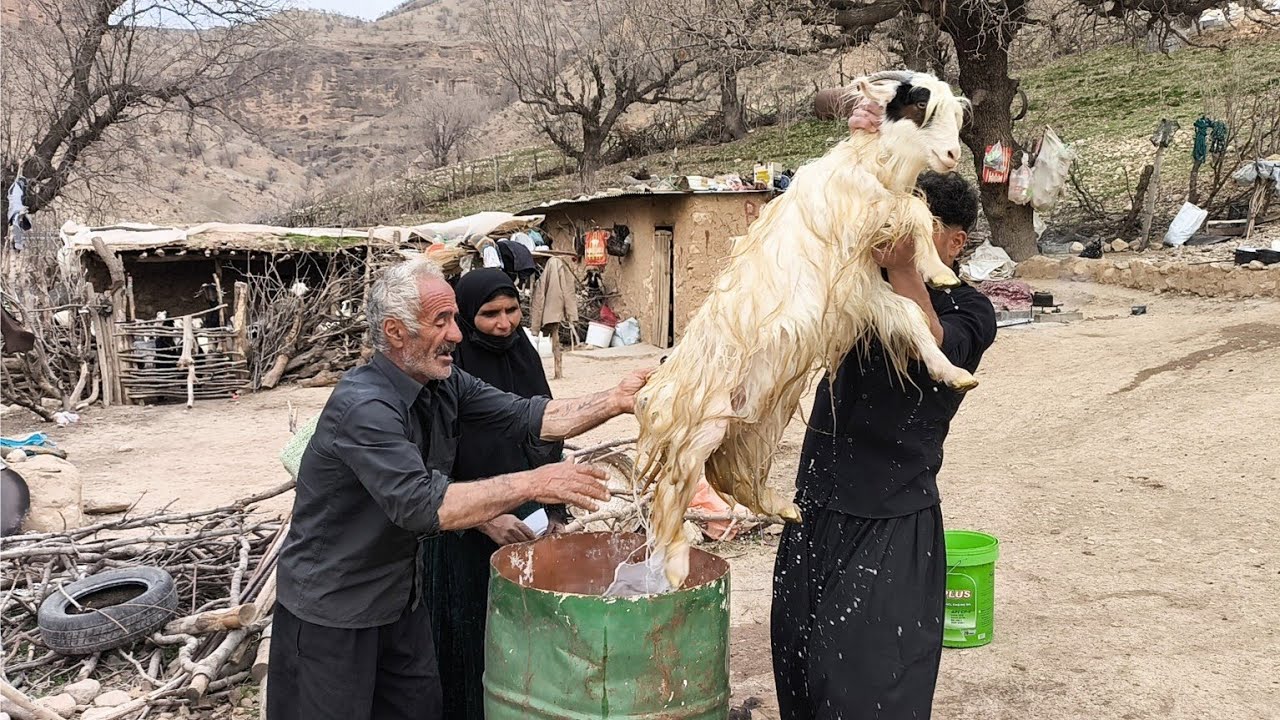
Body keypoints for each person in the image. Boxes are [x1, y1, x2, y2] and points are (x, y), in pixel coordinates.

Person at [269, 259, 649, 720]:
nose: (457, 334)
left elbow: (529, 415)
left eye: (454, 318)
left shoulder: (443, 383)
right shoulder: (364, 406)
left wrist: (617, 399)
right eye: (442, 321)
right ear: (394, 332)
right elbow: (424, 505)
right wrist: (539, 481)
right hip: (333, 613)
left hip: (399, 602)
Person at [770, 170, 997, 720]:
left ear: (952, 241)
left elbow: (932, 352)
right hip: (812, 513)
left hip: (888, 522)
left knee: (867, 696)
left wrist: (901, 267)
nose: (892, 235)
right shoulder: (856, 293)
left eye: (911, 226)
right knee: (800, 680)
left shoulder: (969, 311)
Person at [420, 269, 565, 720]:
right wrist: (484, 518)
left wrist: (554, 510)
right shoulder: (446, 370)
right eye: (489, 314)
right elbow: (428, 467)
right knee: (471, 636)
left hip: (526, 517)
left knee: (526, 633)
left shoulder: (524, 355)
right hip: (462, 526)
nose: (504, 324)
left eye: (511, 310)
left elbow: (545, 431)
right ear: (465, 317)